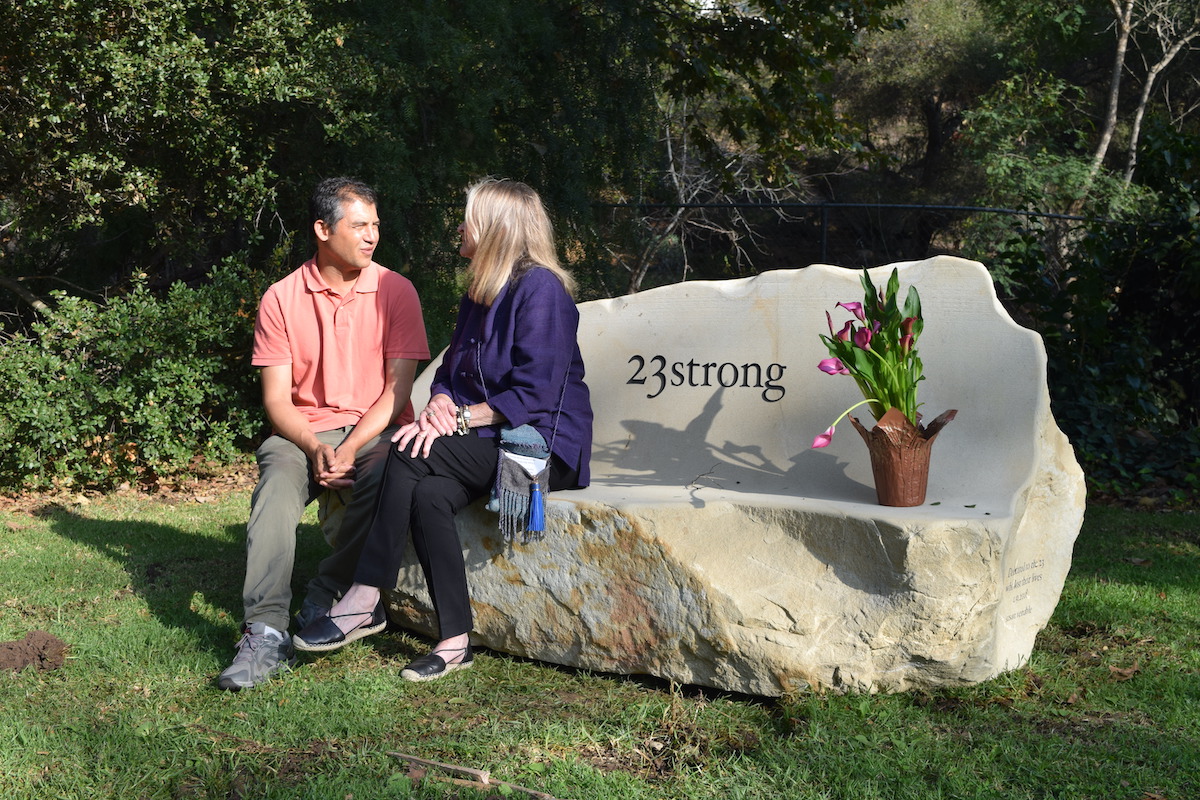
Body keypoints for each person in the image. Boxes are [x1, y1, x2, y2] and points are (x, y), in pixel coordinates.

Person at [293, 177, 592, 682]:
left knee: (405, 452)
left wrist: (456, 419)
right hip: (484, 437)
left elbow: (535, 395)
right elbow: (451, 374)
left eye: (468, 218)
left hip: (541, 445)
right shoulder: (479, 291)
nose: (459, 226)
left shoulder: (543, 290)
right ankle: (456, 640)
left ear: (494, 228)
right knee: (429, 493)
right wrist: (439, 404)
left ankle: (365, 595)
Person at [218, 177, 430, 690]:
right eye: (359, 225)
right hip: (303, 431)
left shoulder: (395, 290)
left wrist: (351, 446)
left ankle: (330, 590)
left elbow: (397, 393)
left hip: (376, 429)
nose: (371, 235)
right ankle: (265, 628)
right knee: (276, 481)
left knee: (388, 474)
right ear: (322, 229)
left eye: (375, 225)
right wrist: (315, 446)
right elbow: (276, 401)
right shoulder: (281, 298)